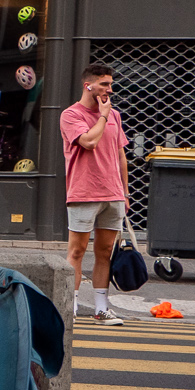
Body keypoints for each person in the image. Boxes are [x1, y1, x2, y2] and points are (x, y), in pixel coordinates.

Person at [61, 63, 131, 327]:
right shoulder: (71, 115)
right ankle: (72, 305)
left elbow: (120, 155)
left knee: (104, 252)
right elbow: (88, 142)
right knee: (77, 251)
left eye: (111, 84)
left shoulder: (115, 115)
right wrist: (102, 116)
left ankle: (102, 309)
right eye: (104, 84)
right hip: (84, 192)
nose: (109, 90)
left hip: (112, 193)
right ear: (87, 85)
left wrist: (125, 191)